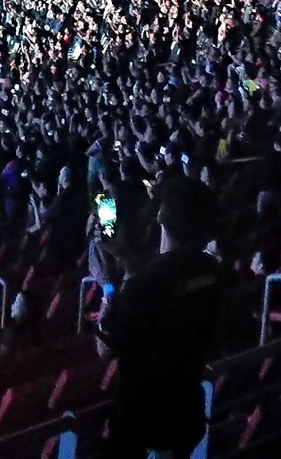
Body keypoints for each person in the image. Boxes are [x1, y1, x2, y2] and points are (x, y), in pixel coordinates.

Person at [97, 179, 227, 459]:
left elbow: (105, 347)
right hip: (187, 408)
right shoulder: (212, 270)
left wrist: (110, 285)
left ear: (161, 218)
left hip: (144, 420)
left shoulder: (145, 285)